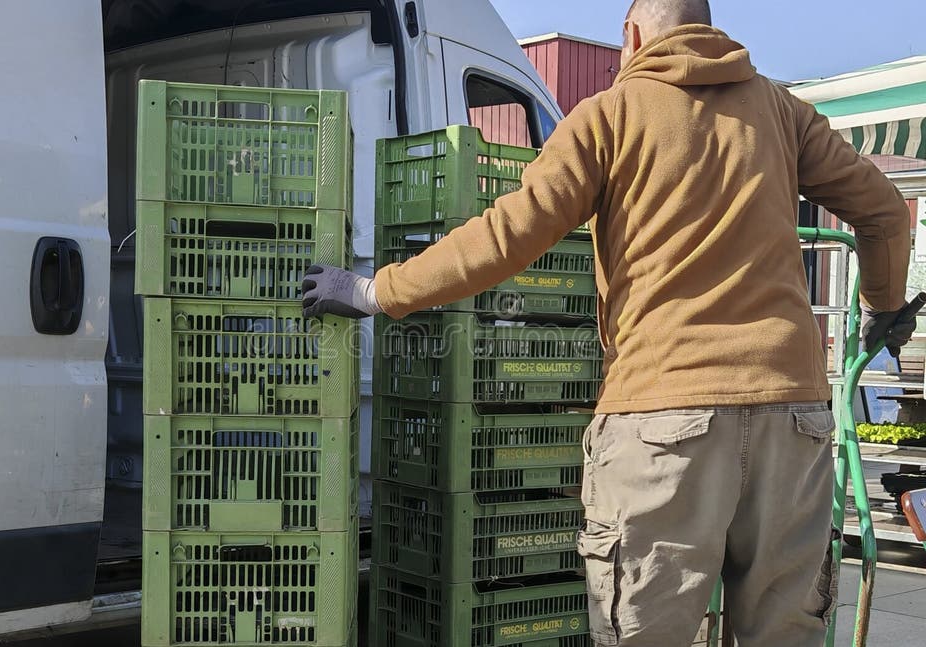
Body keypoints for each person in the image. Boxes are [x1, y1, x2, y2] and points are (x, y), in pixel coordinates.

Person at [302, 0, 916, 644]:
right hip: (793, 417)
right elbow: (883, 211)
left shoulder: (610, 116)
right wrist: (882, 306)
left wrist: (374, 290)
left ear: (632, 35)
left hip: (663, 419)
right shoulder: (782, 111)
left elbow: (506, 235)